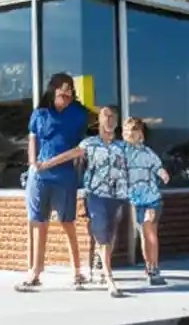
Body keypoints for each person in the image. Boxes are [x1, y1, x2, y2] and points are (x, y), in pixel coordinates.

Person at [37, 106, 127, 297]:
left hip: (117, 196)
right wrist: (46, 164)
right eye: (106, 116)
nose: (109, 120)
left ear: (117, 122)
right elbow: (69, 155)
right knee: (101, 229)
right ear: (100, 121)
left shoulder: (123, 147)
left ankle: (100, 262)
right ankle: (109, 277)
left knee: (110, 235)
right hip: (95, 193)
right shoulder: (90, 144)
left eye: (113, 117)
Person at [15, 73, 89, 292]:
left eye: (70, 91)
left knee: (67, 222)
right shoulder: (40, 114)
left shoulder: (79, 113)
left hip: (64, 175)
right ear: (53, 89)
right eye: (63, 90)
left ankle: (77, 272)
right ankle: (35, 272)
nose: (67, 95)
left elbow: (82, 145)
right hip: (39, 176)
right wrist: (32, 164)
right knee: (38, 222)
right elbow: (32, 139)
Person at [123, 117, 171, 286]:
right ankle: (149, 267)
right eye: (128, 131)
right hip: (135, 201)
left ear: (140, 134)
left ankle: (155, 267)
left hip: (151, 199)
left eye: (134, 131)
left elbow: (157, 167)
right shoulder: (121, 153)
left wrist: (163, 174)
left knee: (150, 229)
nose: (131, 134)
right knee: (144, 233)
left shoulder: (147, 153)